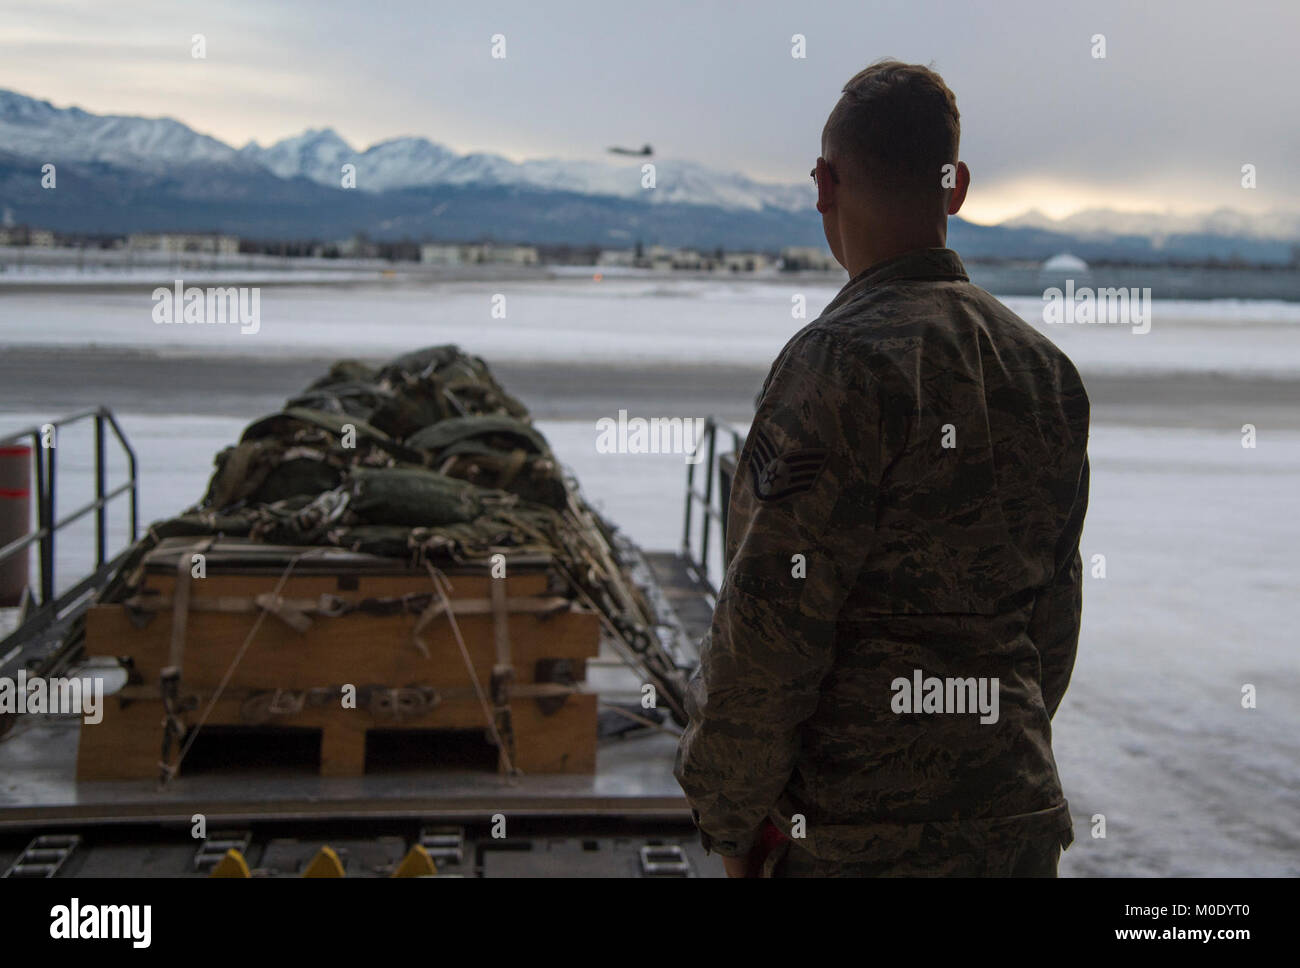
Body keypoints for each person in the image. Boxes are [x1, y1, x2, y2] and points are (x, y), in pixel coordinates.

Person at [673, 59, 1091, 878]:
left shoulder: (835, 364)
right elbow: (1053, 624)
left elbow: (767, 630)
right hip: (1011, 823)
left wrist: (730, 820)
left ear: (825, 183)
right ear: (958, 185)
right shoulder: (1042, 372)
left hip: (849, 838)